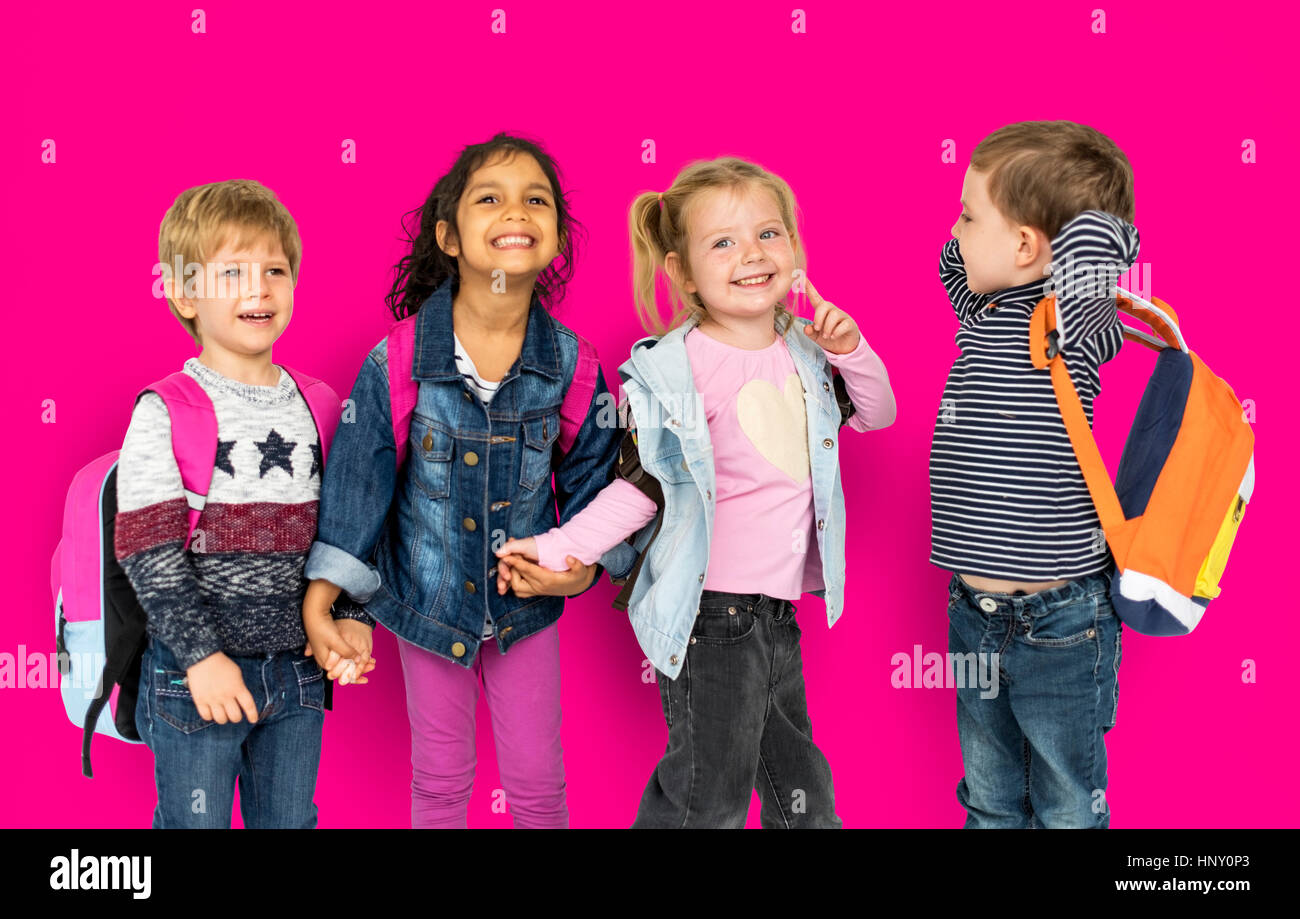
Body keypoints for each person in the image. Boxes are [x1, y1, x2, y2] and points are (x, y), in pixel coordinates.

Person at [496, 156, 896, 827]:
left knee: (802, 787)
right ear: (682, 272)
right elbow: (643, 490)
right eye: (724, 242)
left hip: (776, 615)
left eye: (770, 234)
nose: (752, 254)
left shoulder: (805, 352)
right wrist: (559, 545)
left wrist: (851, 347)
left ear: (794, 249)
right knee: (707, 792)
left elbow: (876, 411)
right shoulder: (676, 371)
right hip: (712, 618)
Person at [301, 133, 635, 828]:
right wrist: (326, 600)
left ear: (554, 241)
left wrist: (579, 571)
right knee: (442, 779)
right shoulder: (397, 361)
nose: (516, 210)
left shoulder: (573, 365)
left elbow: (596, 484)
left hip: (526, 608)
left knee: (539, 783)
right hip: (426, 604)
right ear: (449, 236)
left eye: (535, 200)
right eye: (491, 198)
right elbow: (359, 486)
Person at [118, 179, 370, 828]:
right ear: (183, 293)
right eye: (231, 271)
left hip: (297, 676)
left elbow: (346, 531)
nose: (257, 288)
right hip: (193, 678)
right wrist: (201, 657)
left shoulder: (319, 406)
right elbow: (149, 553)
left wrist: (349, 616)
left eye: (274, 270)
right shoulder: (166, 410)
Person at [934, 120, 1140, 827]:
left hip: (1060, 621)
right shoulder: (983, 311)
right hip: (973, 612)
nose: (955, 230)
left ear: (1027, 244)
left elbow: (1105, 242)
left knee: (1066, 808)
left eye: (968, 214)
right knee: (989, 800)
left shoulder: (1075, 322)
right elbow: (951, 263)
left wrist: (1060, 217)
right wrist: (991, 229)